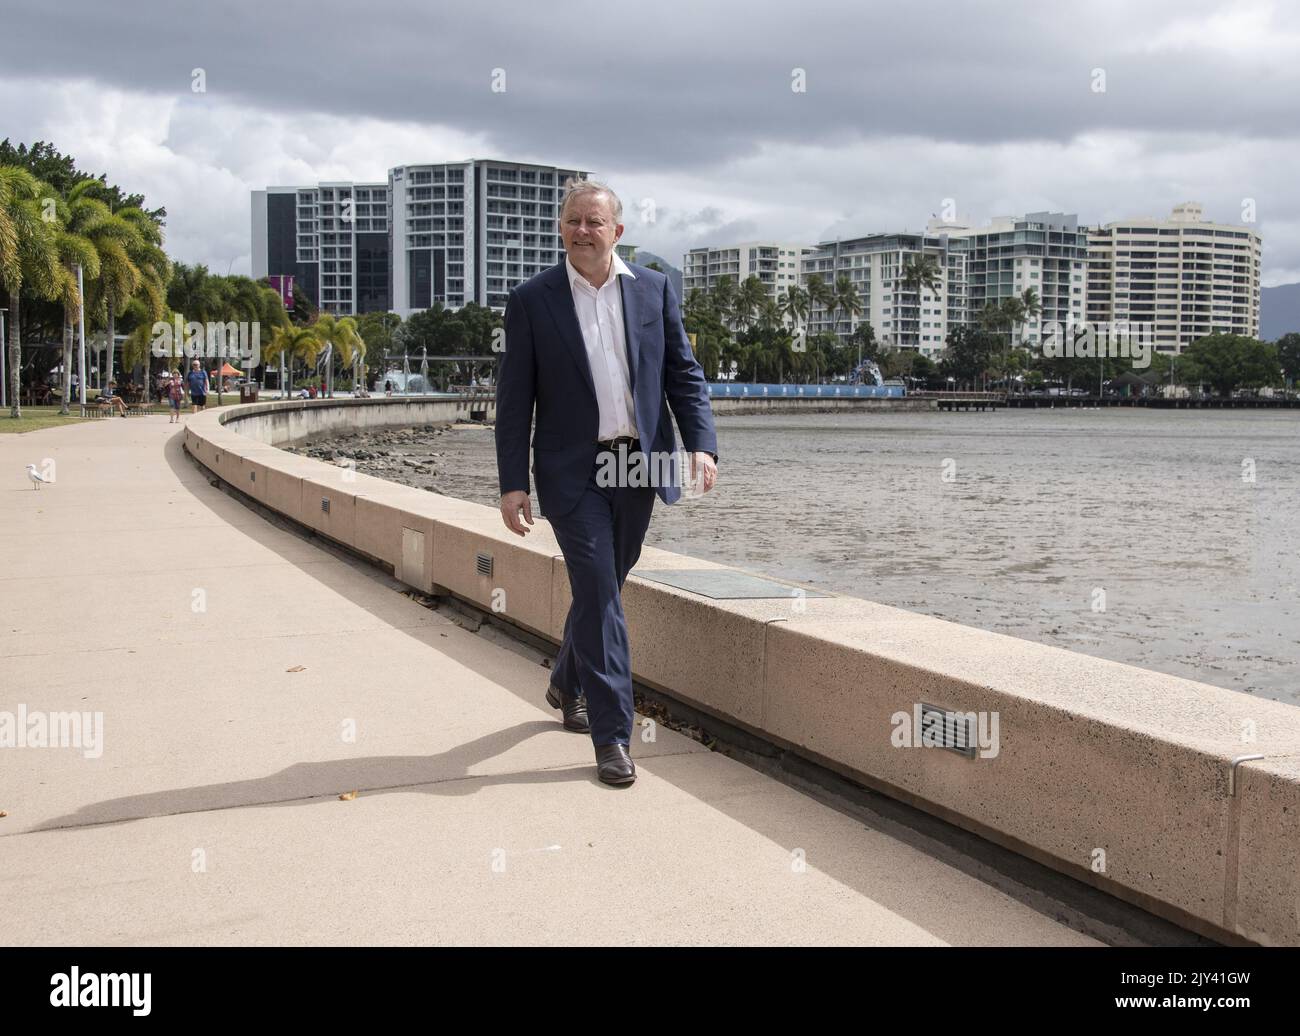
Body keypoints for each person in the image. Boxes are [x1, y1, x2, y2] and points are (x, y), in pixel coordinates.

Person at [495, 178, 718, 786]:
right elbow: (514, 400)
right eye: (573, 221)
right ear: (561, 228)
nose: (582, 232)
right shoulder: (533, 299)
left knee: (604, 588)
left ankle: (566, 681)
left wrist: (702, 445)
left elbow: (683, 374)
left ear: (617, 231)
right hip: (572, 471)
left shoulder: (653, 290)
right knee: (599, 590)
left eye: (594, 222)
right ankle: (613, 736)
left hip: (638, 467)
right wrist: (512, 482)